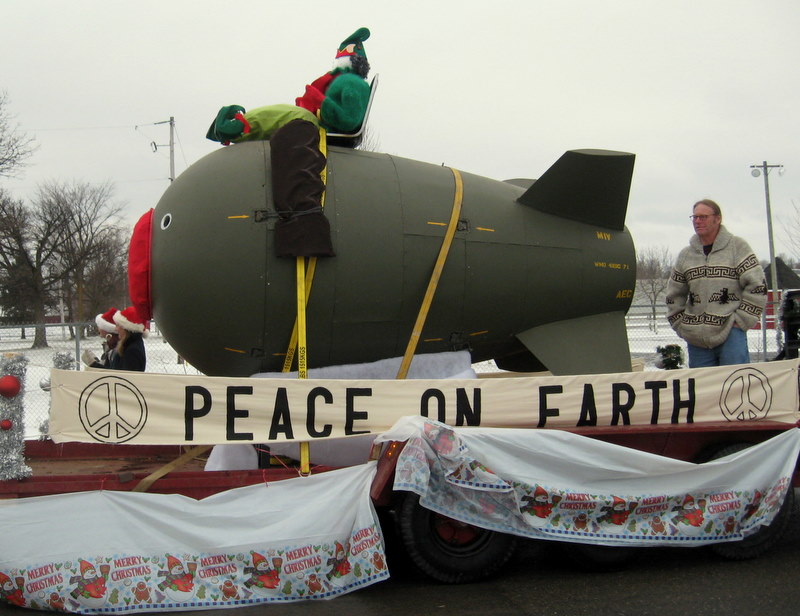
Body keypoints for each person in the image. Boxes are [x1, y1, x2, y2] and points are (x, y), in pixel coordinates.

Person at [665, 199, 767, 367]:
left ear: (717, 219)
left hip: (731, 333)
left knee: (735, 386)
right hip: (696, 339)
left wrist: (741, 321)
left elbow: (758, 286)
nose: (698, 221)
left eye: (703, 217)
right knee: (703, 390)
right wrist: (680, 324)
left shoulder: (737, 247)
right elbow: (674, 293)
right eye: (694, 217)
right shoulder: (685, 255)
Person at [110, 306, 147, 372]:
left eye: (118, 325)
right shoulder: (128, 345)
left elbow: (125, 379)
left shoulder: (132, 351)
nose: (115, 329)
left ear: (126, 329)